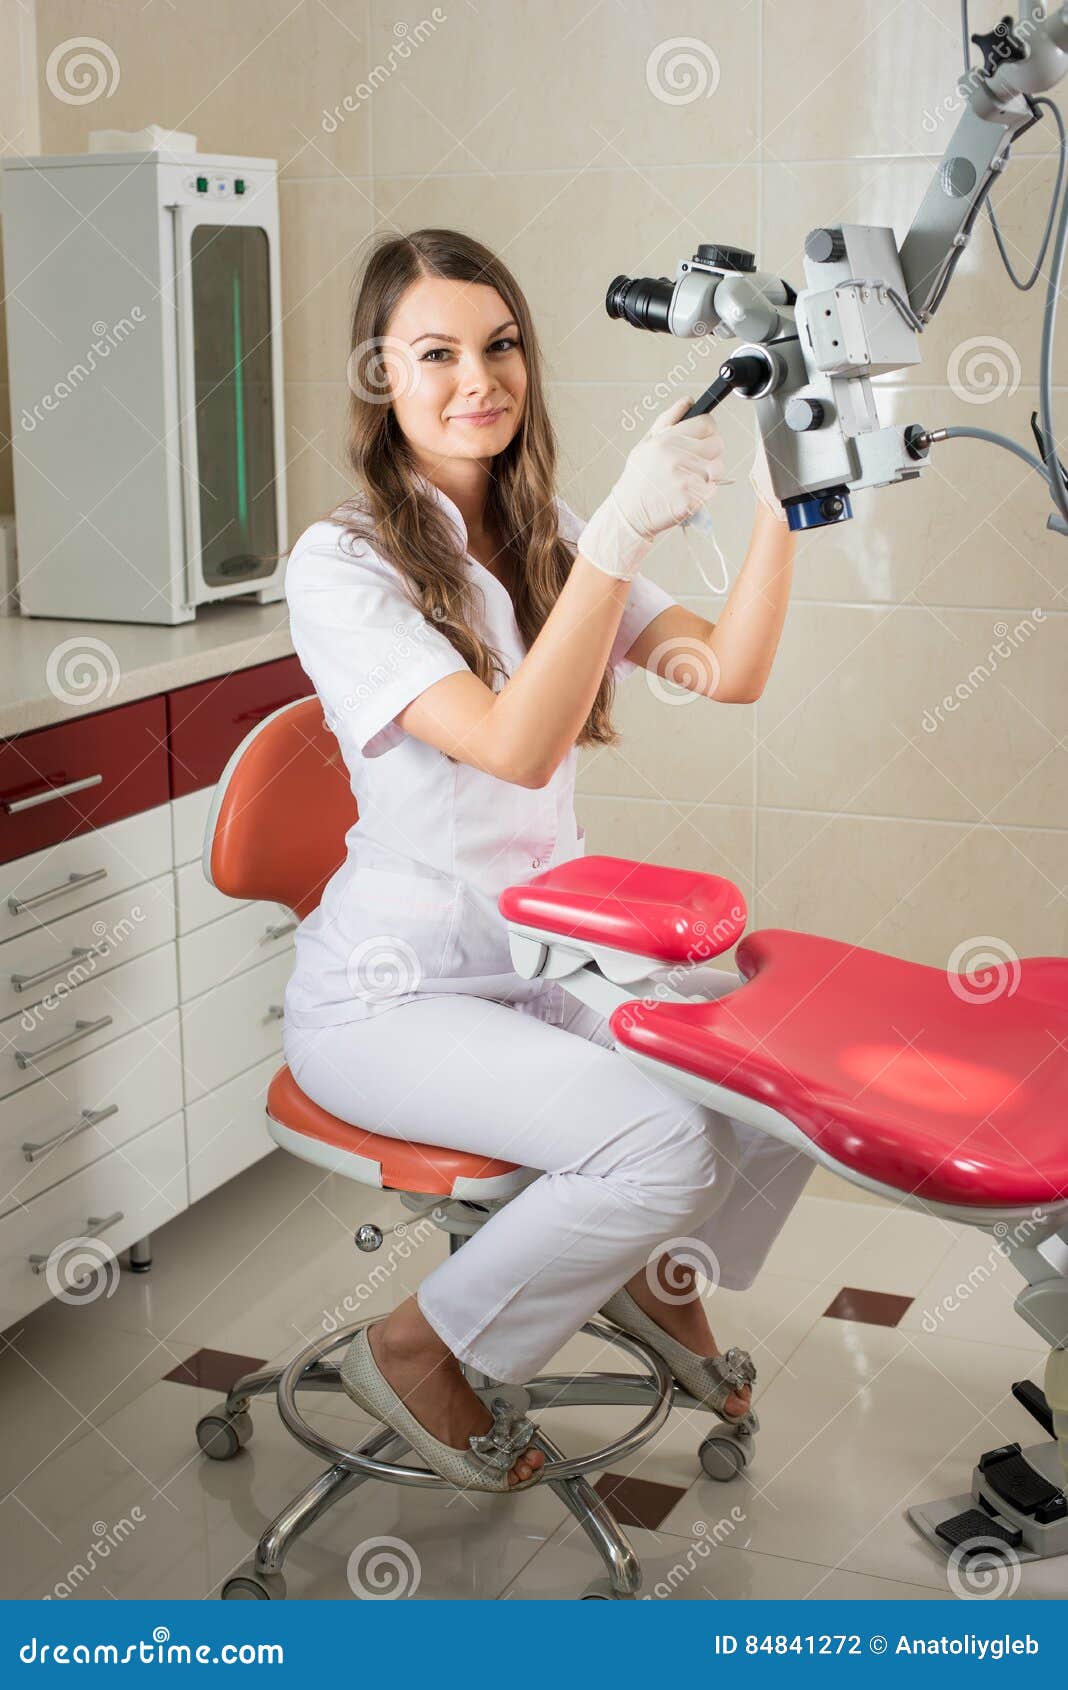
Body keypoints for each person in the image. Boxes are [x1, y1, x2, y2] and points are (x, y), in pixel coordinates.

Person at [281, 227, 814, 1494]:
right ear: (381, 378)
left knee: (775, 1062)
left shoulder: (546, 530)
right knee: (659, 1144)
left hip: (539, 952)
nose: (482, 378)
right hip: (392, 997)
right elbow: (517, 749)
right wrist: (623, 533)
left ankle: (656, 1275)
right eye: (437, 353)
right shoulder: (342, 564)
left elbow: (725, 672)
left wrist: (783, 498)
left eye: (502, 344)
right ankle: (418, 1348)